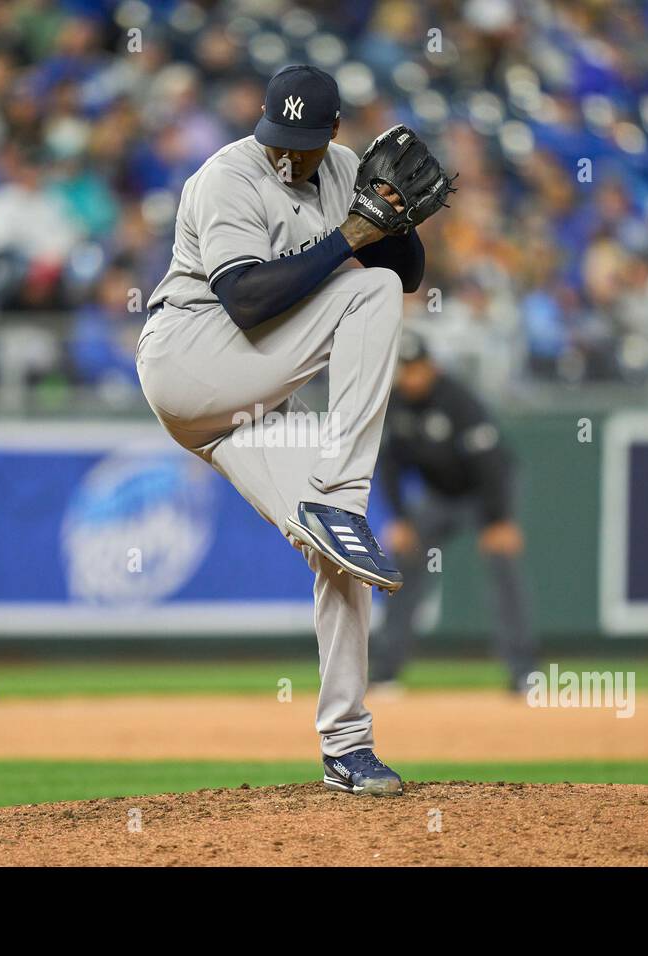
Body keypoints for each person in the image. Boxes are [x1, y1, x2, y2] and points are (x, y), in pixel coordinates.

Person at [136, 65, 433, 796]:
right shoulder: (226, 178)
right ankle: (342, 486)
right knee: (368, 289)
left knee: (341, 547)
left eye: (304, 141)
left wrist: (395, 220)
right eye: (279, 137)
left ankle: (347, 747)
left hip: (251, 406)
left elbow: (412, 270)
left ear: (333, 132)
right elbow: (245, 298)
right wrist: (353, 236)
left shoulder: (339, 170)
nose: (288, 153)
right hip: (191, 359)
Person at [372, 331, 539, 692]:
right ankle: (384, 672)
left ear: (430, 367)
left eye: (416, 368)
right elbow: (388, 467)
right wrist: (399, 519)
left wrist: (499, 521)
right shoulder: (396, 404)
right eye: (404, 370)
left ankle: (524, 673)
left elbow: (492, 463)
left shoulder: (458, 399)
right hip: (439, 496)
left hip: (484, 493)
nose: (411, 377)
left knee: (502, 567)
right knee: (402, 567)